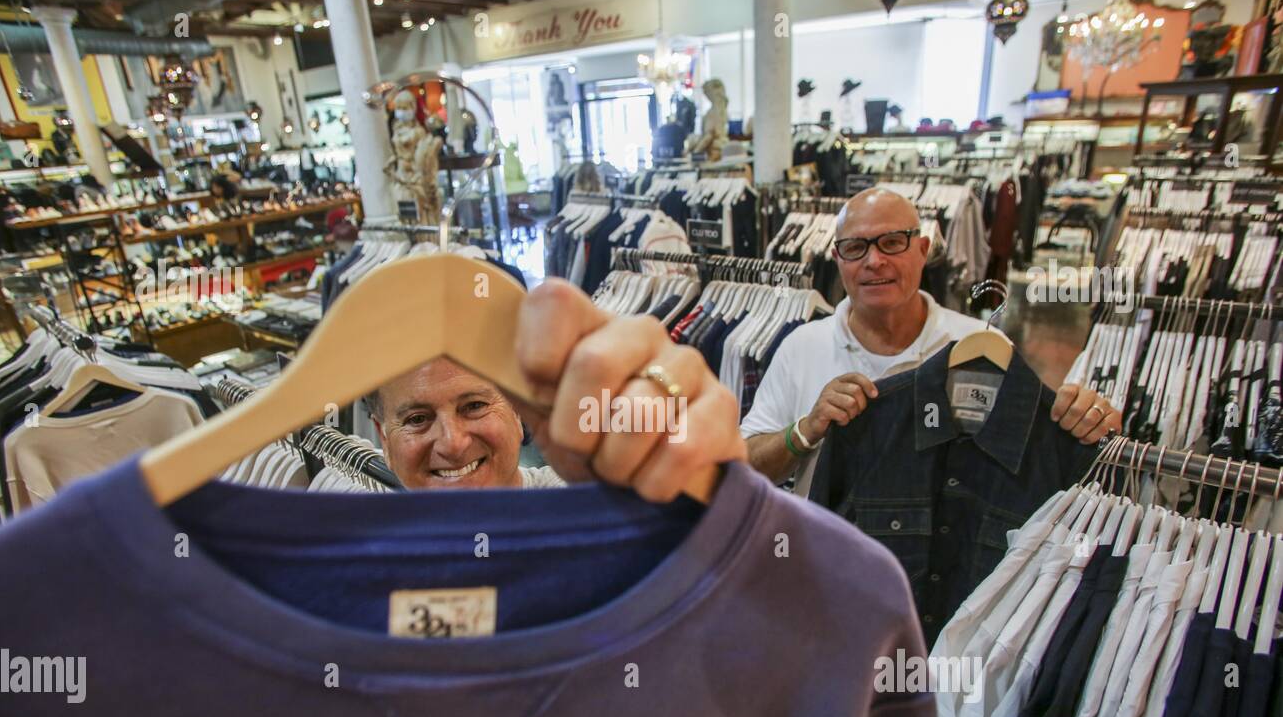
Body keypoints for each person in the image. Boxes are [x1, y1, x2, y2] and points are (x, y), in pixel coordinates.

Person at [742, 188, 1120, 495]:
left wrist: (1085, 423)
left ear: (922, 251)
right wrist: (806, 430)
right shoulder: (801, 346)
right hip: (831, 569)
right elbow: (746, 468)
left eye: (892, 242)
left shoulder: (981, 345)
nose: (874, 261)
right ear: (838, 259)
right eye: (855, 248)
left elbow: (1032, 458)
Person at [367, 279, 746, 499]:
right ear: (383, 437)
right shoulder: (354, 563)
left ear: (517, 410)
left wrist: (712, 493)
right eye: (417, 419)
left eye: (474, 406)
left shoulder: (592, 508)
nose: (452, 442)